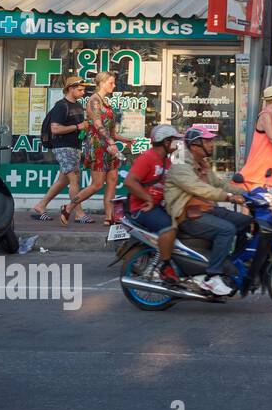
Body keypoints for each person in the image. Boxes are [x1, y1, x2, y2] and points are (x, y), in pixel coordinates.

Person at [164, 124, 251, 296]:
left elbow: (219, 183)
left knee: (246, 221)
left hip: (205, 209)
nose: (212, 145)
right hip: (187, 215)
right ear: (195, 145)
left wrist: (248, 193)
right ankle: (212, 277)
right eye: (208, 141)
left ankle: (232, 262)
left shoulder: (201, 163)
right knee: (227, 230)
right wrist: (227, 197)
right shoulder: (180, 163)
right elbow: (198, 188)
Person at [62, 70, 125, 226]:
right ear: (102, 83)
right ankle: (68, 207)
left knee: (112, 180)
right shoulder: (94, 101)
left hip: (109, 145)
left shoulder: (106, 101)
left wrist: (126, 140)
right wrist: (111, 142)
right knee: (97, 184)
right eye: (111, 82)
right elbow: (97, 125)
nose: (114, 85)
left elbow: (111, 131)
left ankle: (109, 217)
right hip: (97, 145)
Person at [123, 125, 180, 284]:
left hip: (156, 206)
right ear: (166, 141)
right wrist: (147, 198)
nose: (177, 144)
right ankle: (165, 266)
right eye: (174, 140)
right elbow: (130, 182)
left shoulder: (167, 162)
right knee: (170, 227)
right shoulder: (147, 157)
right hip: (141, 208)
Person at [31, 75, 88, 222]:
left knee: (63, 181)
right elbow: (55, 129)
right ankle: (79, 214)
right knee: (74, 180)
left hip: (75, 147)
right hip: (63, 147)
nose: (83, 93)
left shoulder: (78, 106)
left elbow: (80, 128)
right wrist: (77, 127)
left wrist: (84, 130)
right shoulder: (61, 106)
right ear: (70, 89)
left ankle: (40, 205)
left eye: (83, 90)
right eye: (80, 89)